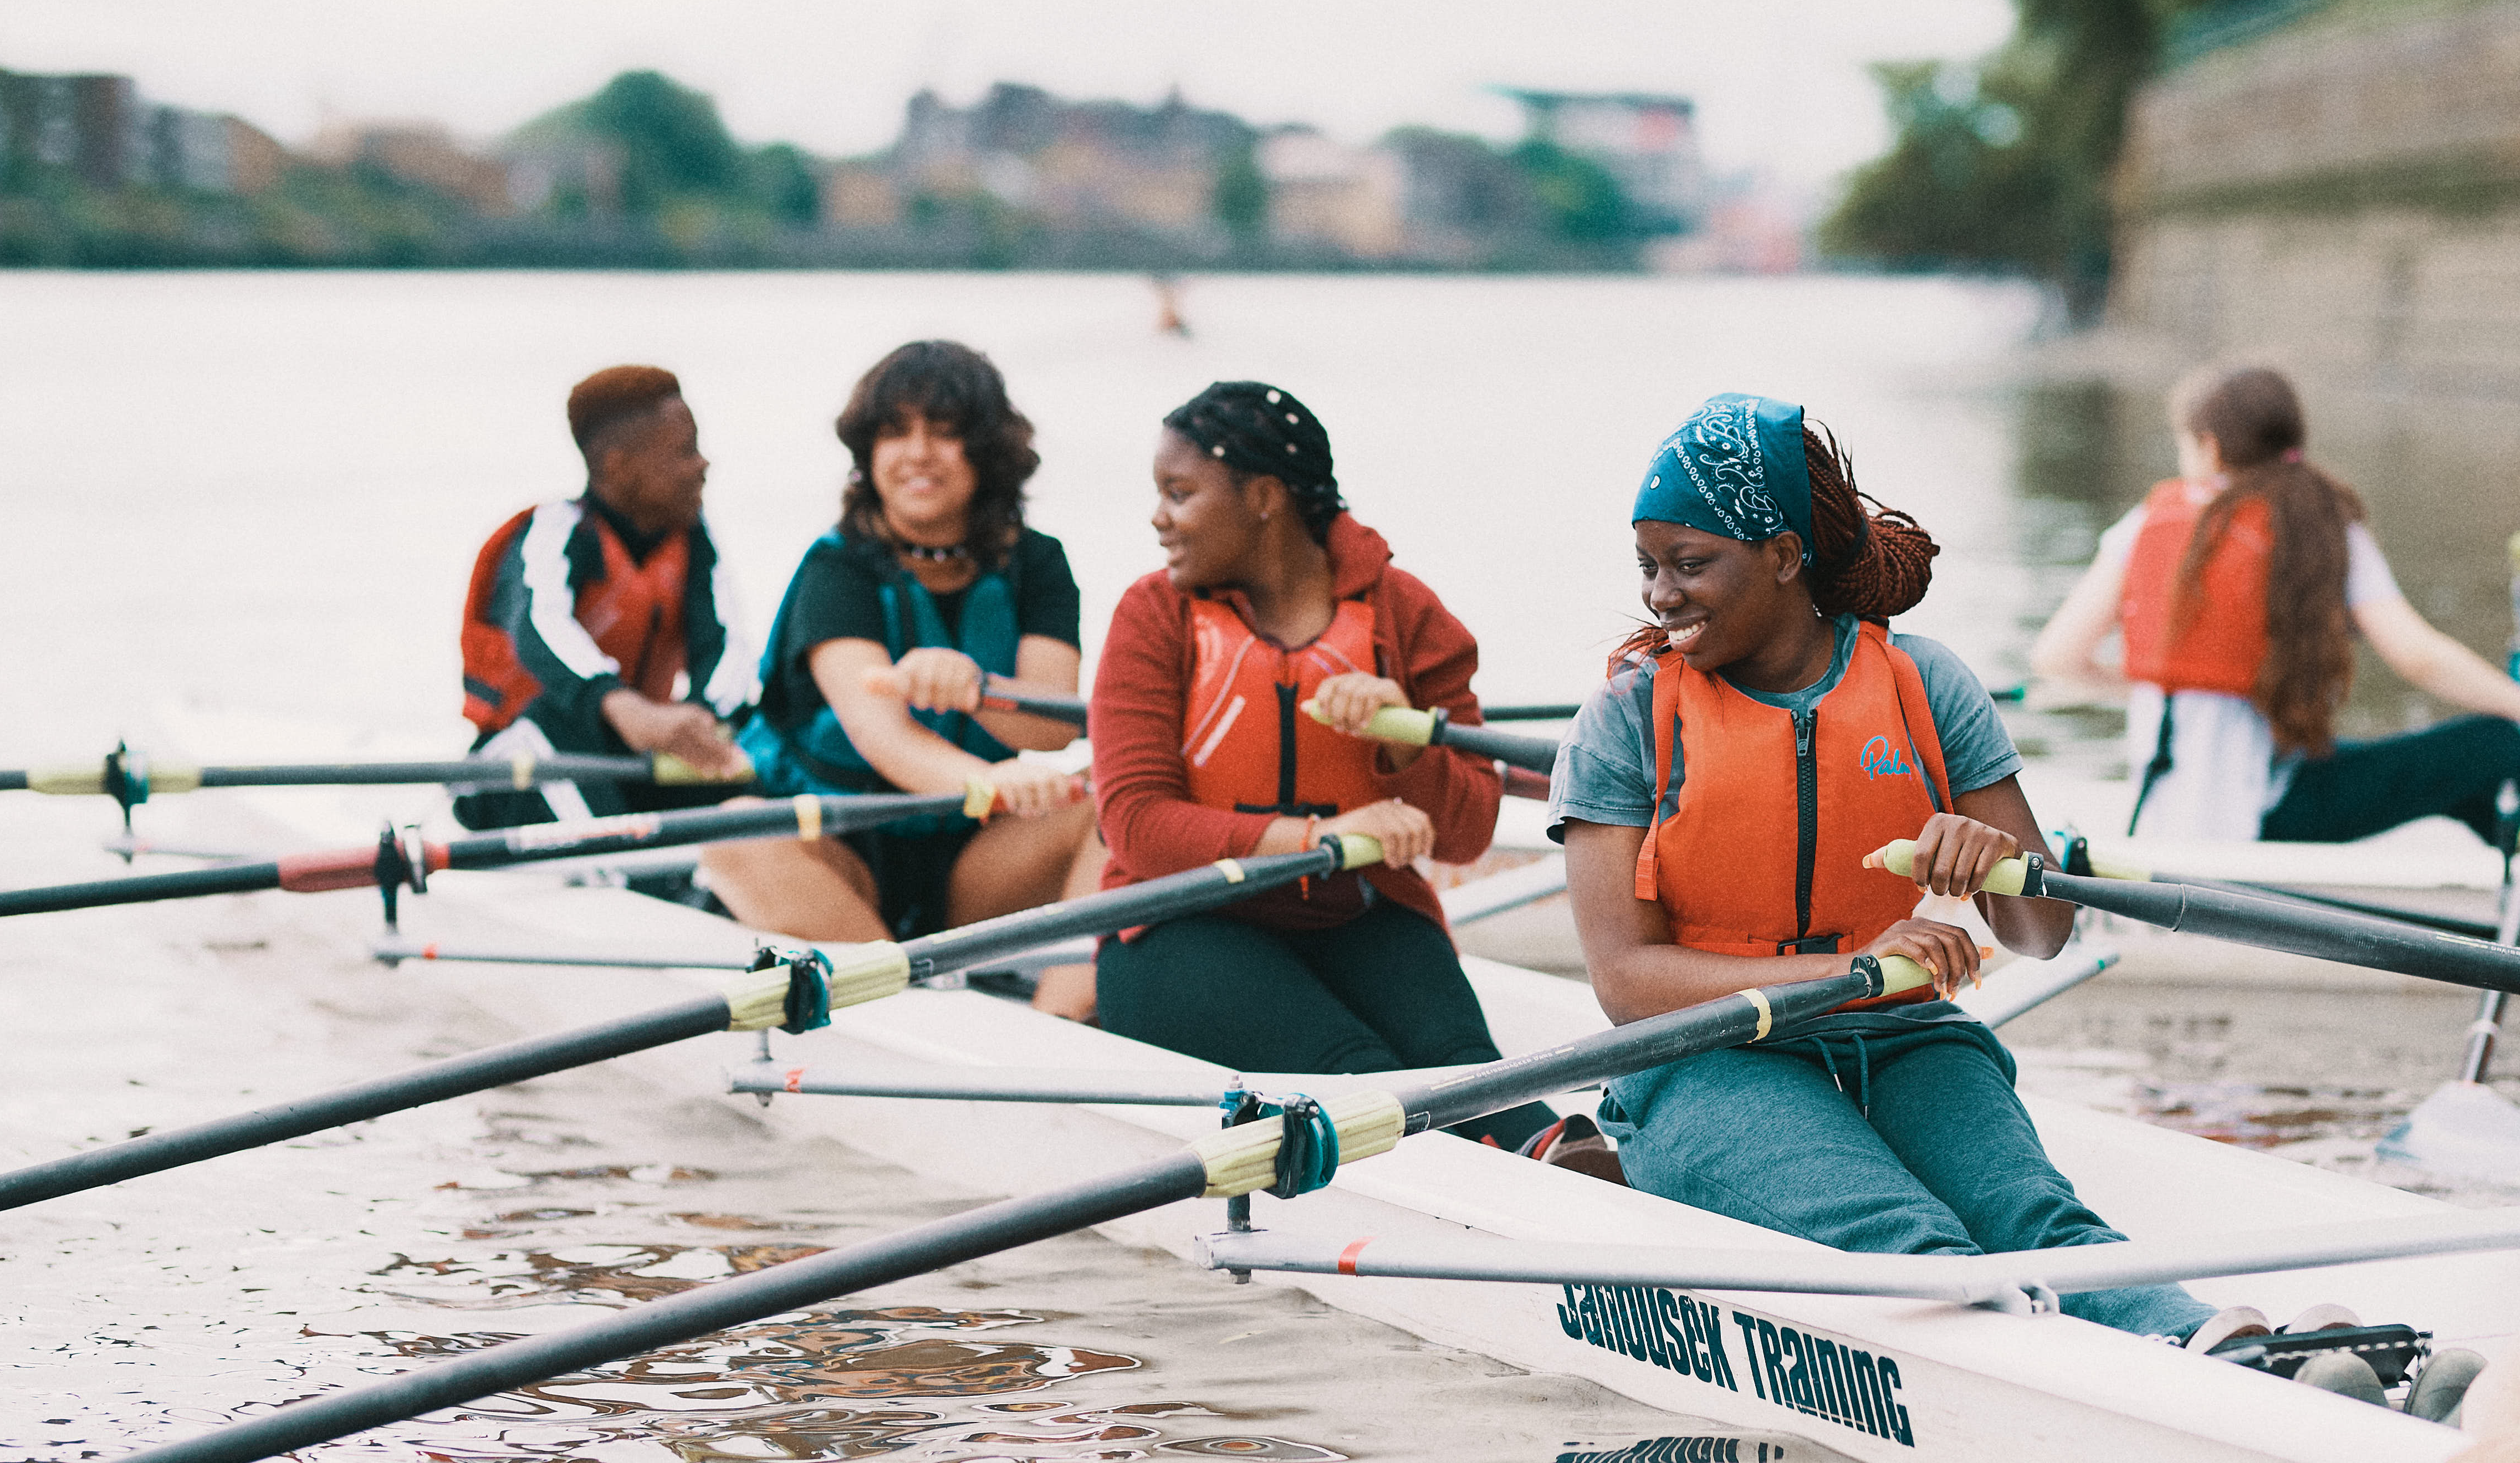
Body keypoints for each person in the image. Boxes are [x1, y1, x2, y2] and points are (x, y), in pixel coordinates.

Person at [1553, 391, 2274, 1352]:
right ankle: (2094, 1382)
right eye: (1649, 565)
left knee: (2039, 1221)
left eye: (1690, 564)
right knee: (1910, 1245)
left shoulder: (1923, 682)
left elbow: (2041, 931)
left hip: (1903, 1037)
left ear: (1782, 554)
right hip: (1705, 1058)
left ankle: (2233, 1354)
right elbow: (1624, 984)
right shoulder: (1626, 718)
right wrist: (1846, 967)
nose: (1660, 594)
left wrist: (2000, 872)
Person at [1088, 381, 1578, 1162]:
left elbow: (1465, 831)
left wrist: (1406, 745)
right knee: (1358, 1077)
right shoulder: (1155, 617)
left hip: (1361, 911)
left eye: (1179, 494)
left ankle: (1584, 1180)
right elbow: (1140, 829)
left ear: (1264, 497)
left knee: (1469, 1073)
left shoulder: (1405, 614)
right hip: (1181, 931)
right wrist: (1321, 833)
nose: (1159, 518)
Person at [703, 341, 1103, 1013]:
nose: (918, 452)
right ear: (868, 454)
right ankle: (898, 1011)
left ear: (988, 452)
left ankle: (1059, 1021)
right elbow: (880, 735)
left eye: (945, 433)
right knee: (732, 832)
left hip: (973, 861)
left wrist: (976, 687)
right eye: (895, 432)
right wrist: (986, 780)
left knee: (1116, 800)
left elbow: (1046, 722)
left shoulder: (1038, 563)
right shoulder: (837, 571)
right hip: (841, 850)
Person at [2031, 363, 2520, 845]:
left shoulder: (2146, 523)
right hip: (2261, 817)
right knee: (2497, 744)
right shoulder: (2321, 527)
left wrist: (2152, 685)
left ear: (2210, 446)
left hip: (2161, 814)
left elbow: (2057, 657)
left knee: (2452, 782)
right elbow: (2419, 657)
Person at [456, 365, 753, 830]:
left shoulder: (693, 540)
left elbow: (726, 646)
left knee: (749, 760)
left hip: (629, 756)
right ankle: (643, 883)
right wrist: (620, 706)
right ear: (619, 466)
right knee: (552, 726)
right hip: (515, 759)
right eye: (684, 450)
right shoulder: (554, 531)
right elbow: (540, 627)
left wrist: (702, 718)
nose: (703, 464)